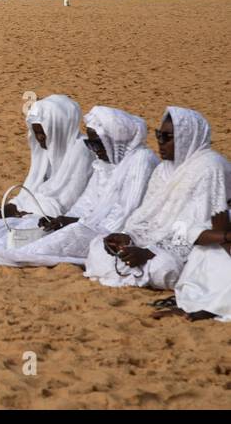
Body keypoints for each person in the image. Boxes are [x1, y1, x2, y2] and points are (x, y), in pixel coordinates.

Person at [0, 107, 157, 269]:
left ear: (113, 139)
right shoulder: (105, 163)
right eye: (91, 144)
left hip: (107, 232)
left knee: (58, 233)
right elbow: (84, 204)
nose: (93, 150)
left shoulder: (140, 161)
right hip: (82, 222)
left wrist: (71, 221)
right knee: (26, 225)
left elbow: (122, 216)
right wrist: (61, 220)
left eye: (97, 143)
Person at [86, 108, 230, 293]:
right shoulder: (163, 169)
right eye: (158, 135)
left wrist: (149, 253)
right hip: (154, 240)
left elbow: (194, 227)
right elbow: (148, 215)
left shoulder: (209, 167)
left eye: (167, 137)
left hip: (191, 246)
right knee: (97, 245)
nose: (160, 143)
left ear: (186, 137)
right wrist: (128, 237)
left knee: (163, 266)